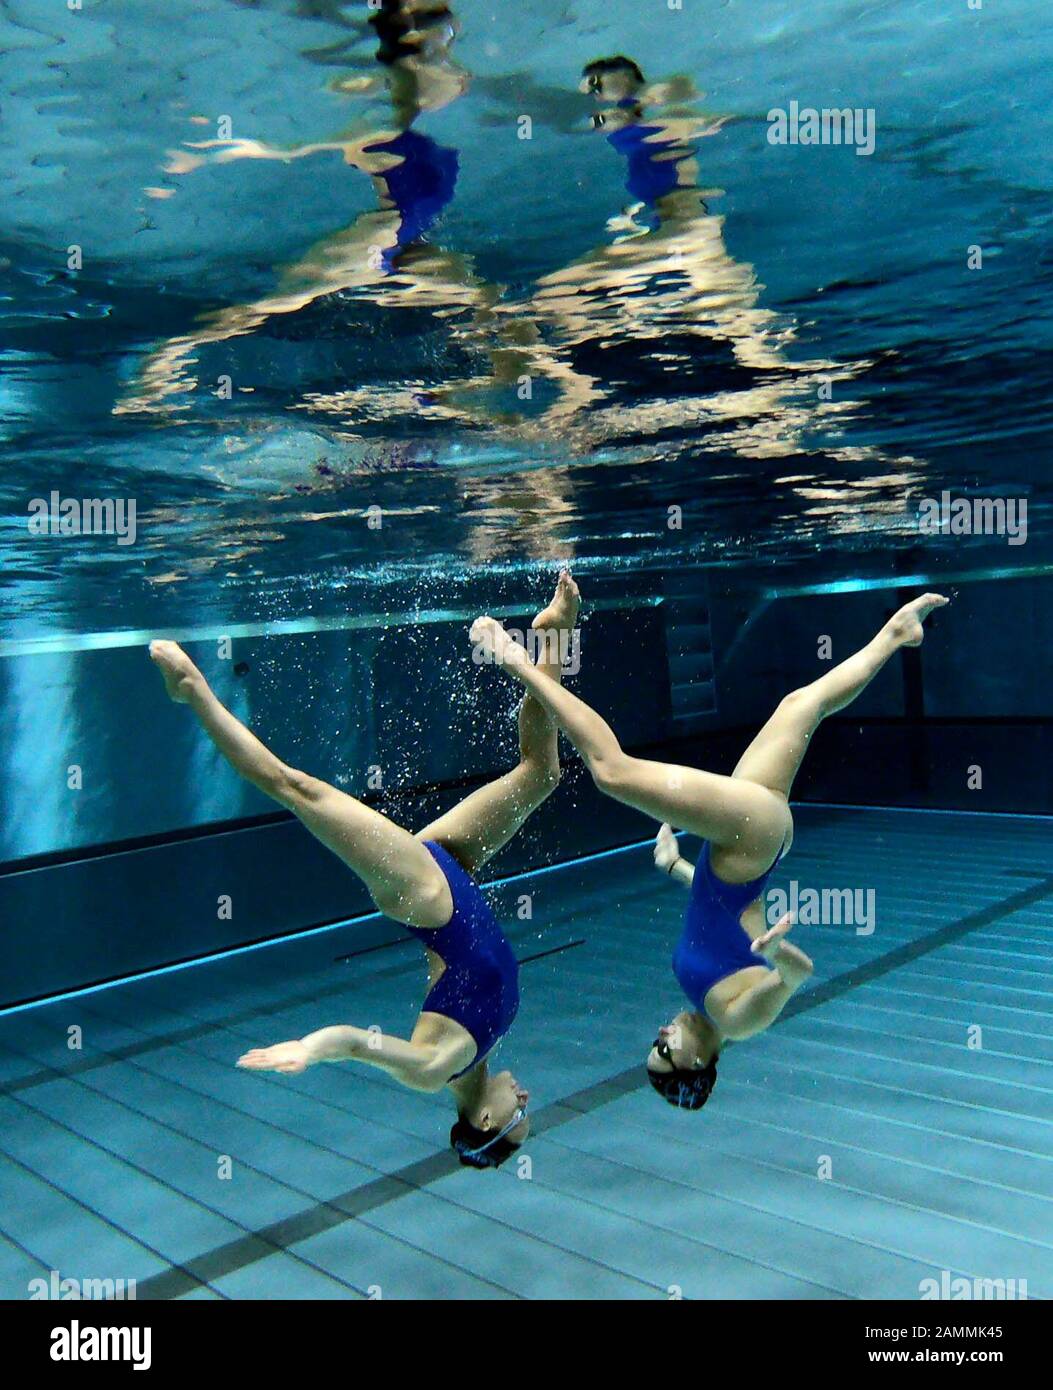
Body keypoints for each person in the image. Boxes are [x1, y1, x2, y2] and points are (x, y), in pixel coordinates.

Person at [149, 571, 581, 1166]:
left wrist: (310, 1048)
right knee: (542, 774)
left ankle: (192, 691)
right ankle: (552, 635)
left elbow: (357, 1042)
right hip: (452, 874)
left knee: (297, 789)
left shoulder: (434, 1069)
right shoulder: (479, 1051)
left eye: (520, 1114)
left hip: (425, 893)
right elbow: (451, 969)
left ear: (485, 1120)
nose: (526, 1097)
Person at [469, 592, 949, 1109]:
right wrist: (776, 953)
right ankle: (515, 657)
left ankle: (897, 633)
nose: (659, 1033)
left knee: (802, 704)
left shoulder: (704, 1001)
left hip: (746, 846)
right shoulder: (739, 1020)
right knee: (611, 771)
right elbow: (799, 975)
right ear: (697, 1063)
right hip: (749, 842)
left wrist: (677, 867)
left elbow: (720, 916)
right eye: (662, 1049)